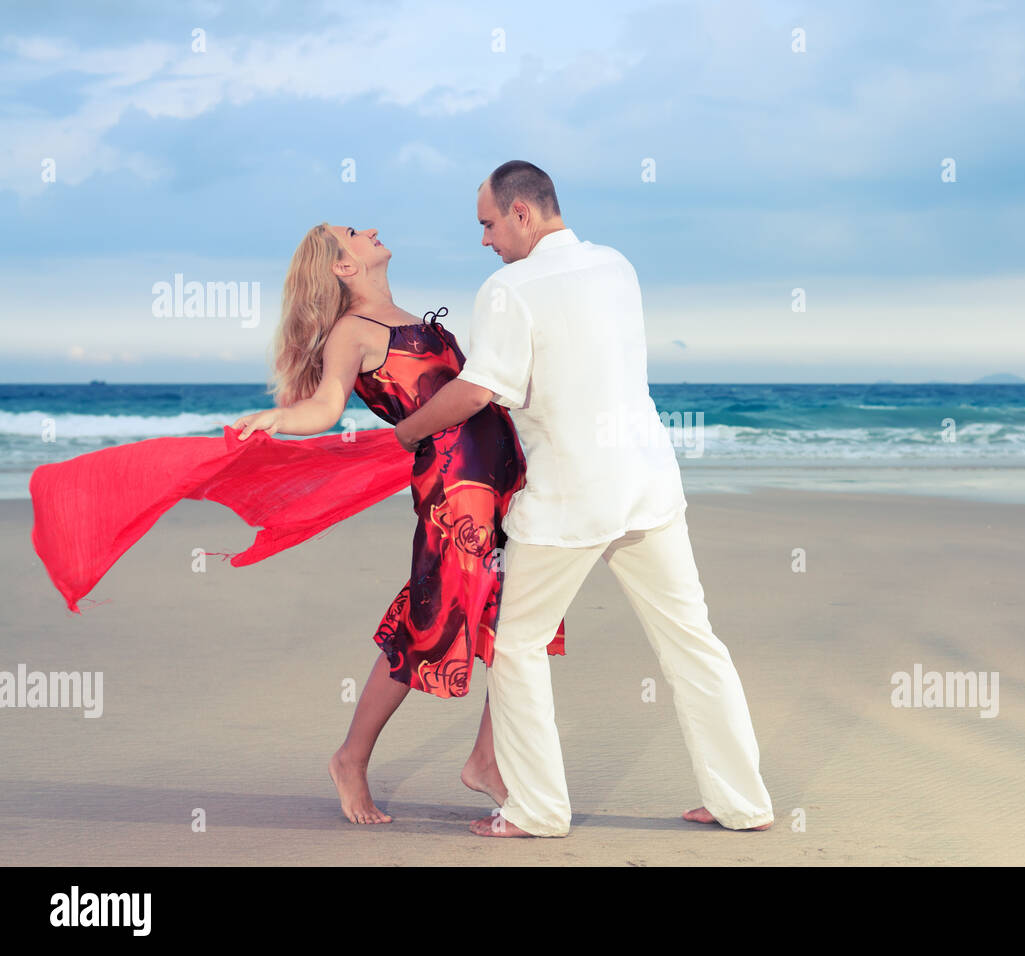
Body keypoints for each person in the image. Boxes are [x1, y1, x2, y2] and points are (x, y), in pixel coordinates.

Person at [392, 160, 774, 837]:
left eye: (486, 224)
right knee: (693, 643)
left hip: (572, 497)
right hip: (649, 483)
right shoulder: (616, 266)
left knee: (516, 646)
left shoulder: (508, 288)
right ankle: (743, 804)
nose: (484, 240)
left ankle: (537, 809)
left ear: (521, 213)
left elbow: (482, 389)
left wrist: (410, 430)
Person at [231, 222, 564, 823]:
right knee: (431, 616)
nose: (373, 231)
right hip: (453, 488)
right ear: (341, 266)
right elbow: (327, 405)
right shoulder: (351, 331)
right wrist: (280, 418)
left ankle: (486, 759)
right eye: (356, 233)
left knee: (517, 618)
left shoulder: (412, 315)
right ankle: (351, 759)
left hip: (503, 477)